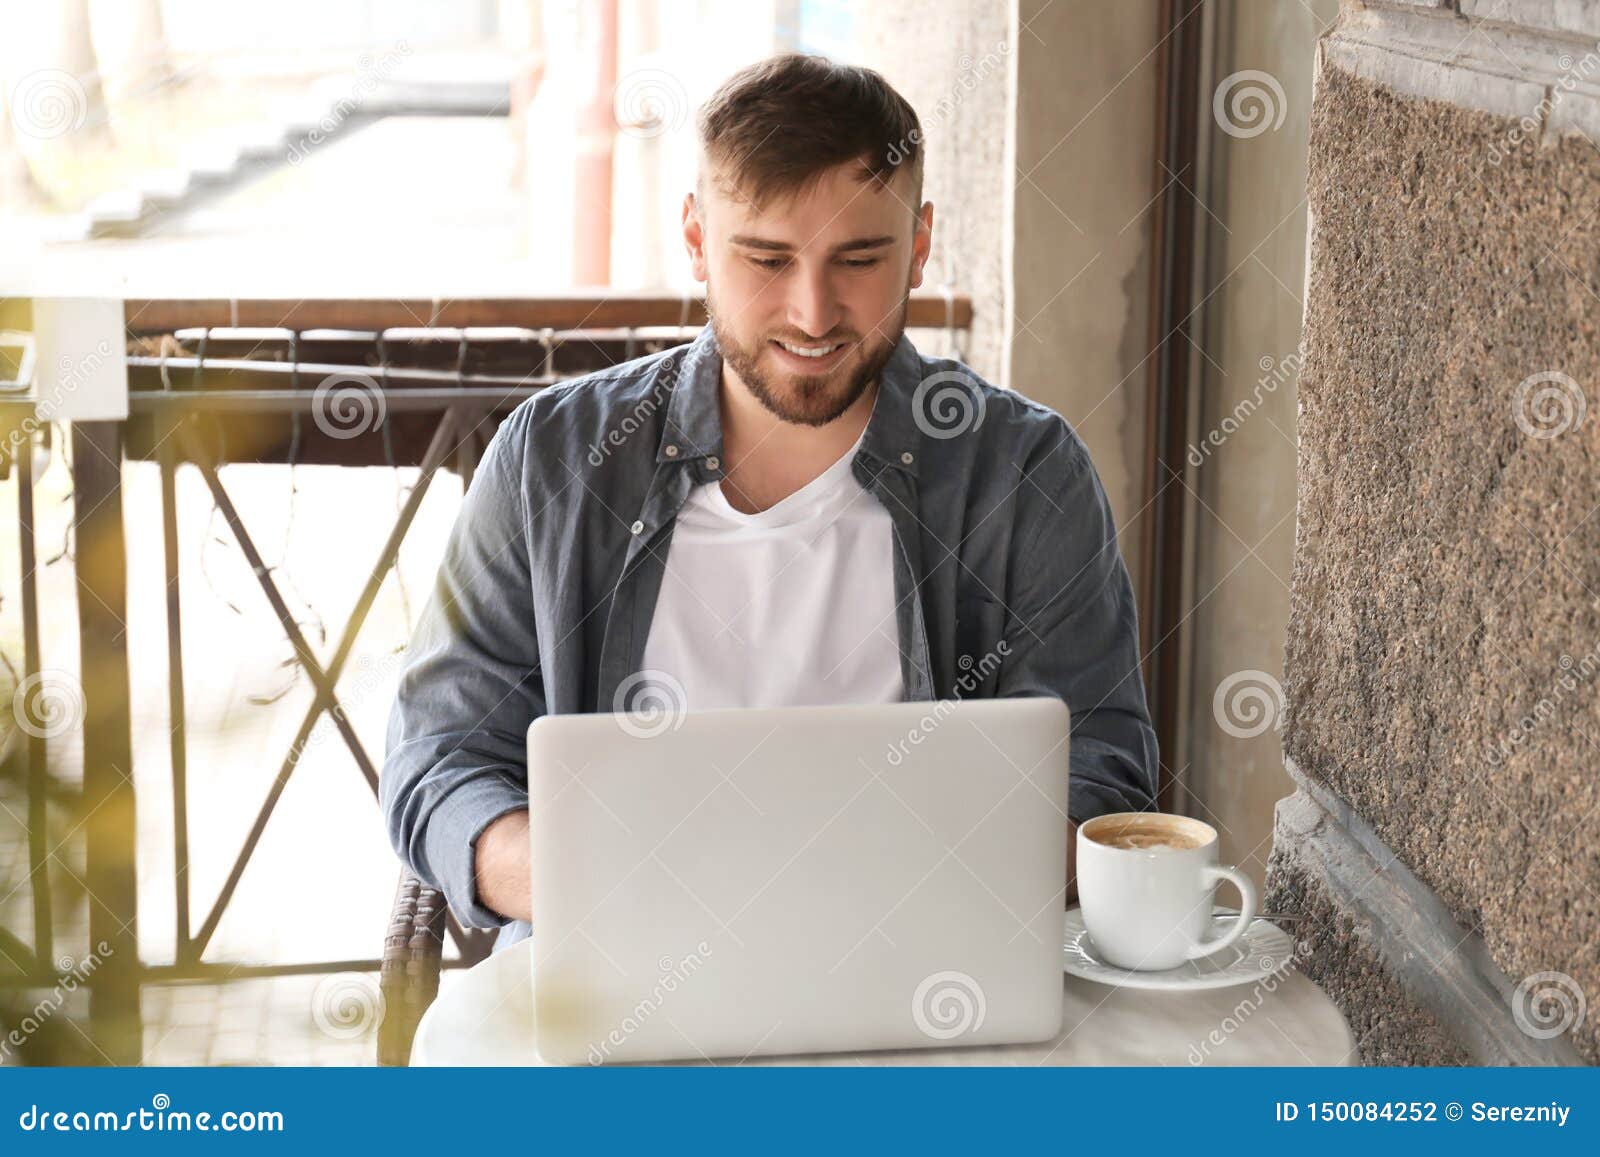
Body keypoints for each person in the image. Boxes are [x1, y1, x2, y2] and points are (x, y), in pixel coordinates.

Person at [380, 54, 1157, 952]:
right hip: (616, 988)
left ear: (919, 245)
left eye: (859, 259)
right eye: (767, 258)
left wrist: (905, 897)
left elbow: (1100, 769)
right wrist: (572, 882)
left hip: (926, 993)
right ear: (698, 239)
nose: (814, 312)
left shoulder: (1026, 471)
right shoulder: (549, 459)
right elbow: (441, 754)